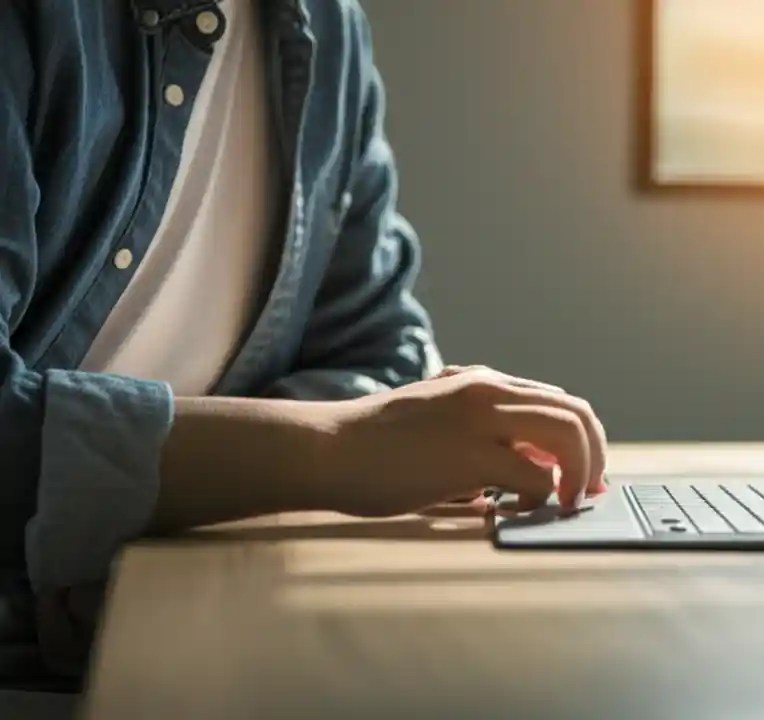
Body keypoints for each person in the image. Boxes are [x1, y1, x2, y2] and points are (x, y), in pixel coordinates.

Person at [0, 0, 607, 678]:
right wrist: (336, 446)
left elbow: (375, 349)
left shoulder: (327, 28)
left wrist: (157, 546)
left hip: (180, 637)